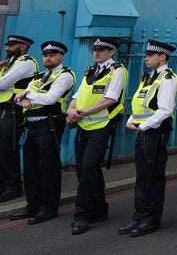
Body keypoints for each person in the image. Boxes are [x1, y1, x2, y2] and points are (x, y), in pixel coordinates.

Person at [65, 37, 128, 235]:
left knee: (89, 167)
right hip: (83, 125)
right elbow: (77, 96)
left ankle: (82, 215)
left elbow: (110, 99)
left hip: (101, 126)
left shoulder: (117, 70)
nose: (97, 53)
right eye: (95, 49)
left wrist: (83, 112)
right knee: (85, 170)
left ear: (112, 52)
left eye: (102, 50)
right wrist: (71, 110)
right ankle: (99, 208)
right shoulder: (90, 71)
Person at [9, 40, 74, 225]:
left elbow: (51, 98)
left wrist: (28, 97)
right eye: (45, 55)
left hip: (49, 125)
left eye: (52, 55)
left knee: (48, 168)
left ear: (61, 56)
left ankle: (49, 207)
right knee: (30, 168)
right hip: (32, 126)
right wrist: (23, 98)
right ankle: (33, 204)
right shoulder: (39, 77)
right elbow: (17, 98)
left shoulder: (65, 75)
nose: (48, 58)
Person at [120, 39, 177, 237]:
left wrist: (143, 126)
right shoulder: (149, 77)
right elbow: (139, 103)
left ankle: (151, 219)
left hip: (154, 133)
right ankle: (138, 216)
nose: (146, 58)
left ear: (162, 57)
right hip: (143, 132)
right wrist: (131, 120)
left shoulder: (168, 79)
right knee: (142, 177)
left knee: (153, 177)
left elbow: (165, 110)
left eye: (150, 55)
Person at [0, 33, 38, 203]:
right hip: (0, 111)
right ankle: (3, 184)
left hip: (13, 111)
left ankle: (13, 186)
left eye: (12, 45)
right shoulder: (8, 64)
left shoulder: (26, 63)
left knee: (8, 149)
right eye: (7, 45)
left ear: (23, 47)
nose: (7, 48)